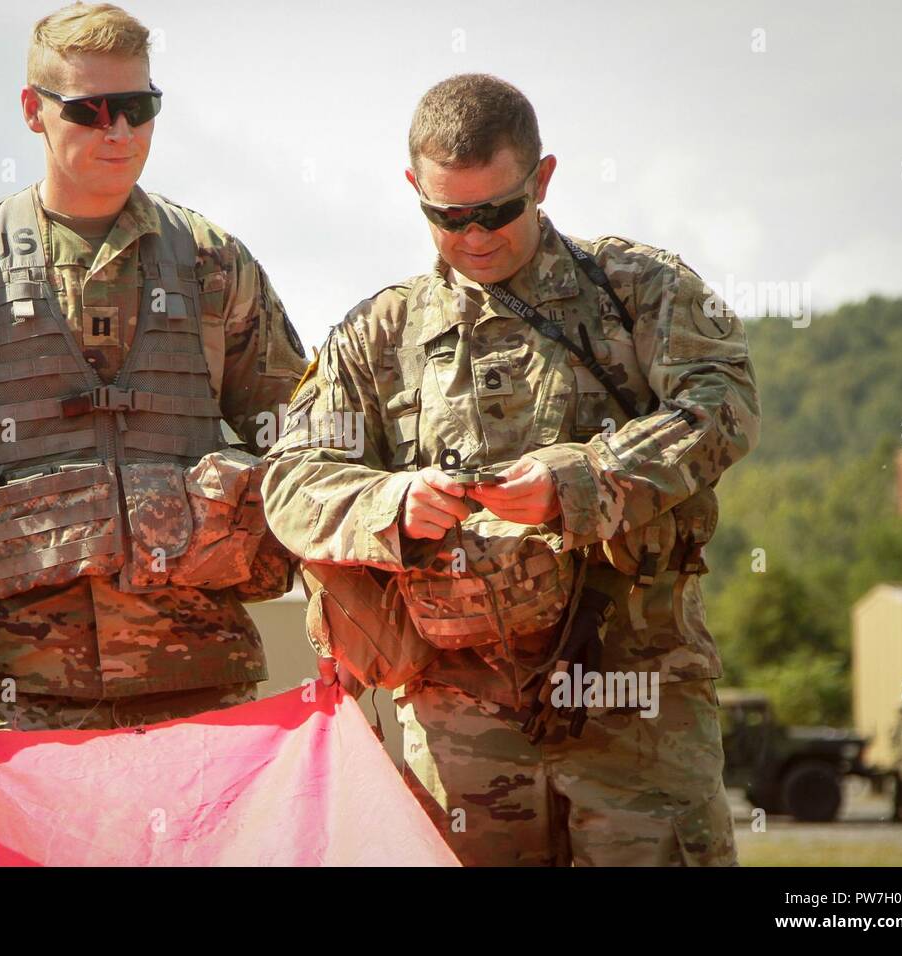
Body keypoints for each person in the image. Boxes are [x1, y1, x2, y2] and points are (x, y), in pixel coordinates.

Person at [263, 73, 760, 866]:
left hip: (635, 706)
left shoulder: (637, 289)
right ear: (413, 191)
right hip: (460, 727)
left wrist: (582, 482)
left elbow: (723, 405)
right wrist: (390, 502)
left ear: (544, 179)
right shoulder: (377, 334)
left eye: (498, 210)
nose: (476, 235)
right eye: (447, 216)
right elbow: (289, 482)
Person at [0, 2, 306, 866]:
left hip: (195, 688)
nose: (119, 130)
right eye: (90, 110)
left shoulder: (215, 265)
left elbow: (308, 451)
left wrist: (344, 609)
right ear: (34, 112)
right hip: (17, 692)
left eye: (139, 107)